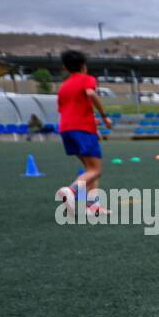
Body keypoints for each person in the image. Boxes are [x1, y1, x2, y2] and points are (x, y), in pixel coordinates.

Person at [54, 50, 112, 212]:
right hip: (82, 129)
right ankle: (70, 191)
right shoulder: (87, 79)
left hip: (67, 130)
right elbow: (90, 93)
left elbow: (69, 110)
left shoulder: (64, 87)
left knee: (90, 169)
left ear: (65, 68)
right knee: (95, 170)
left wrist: (93, 128)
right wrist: (105, 116)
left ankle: (93, 206)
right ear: (84, 66)